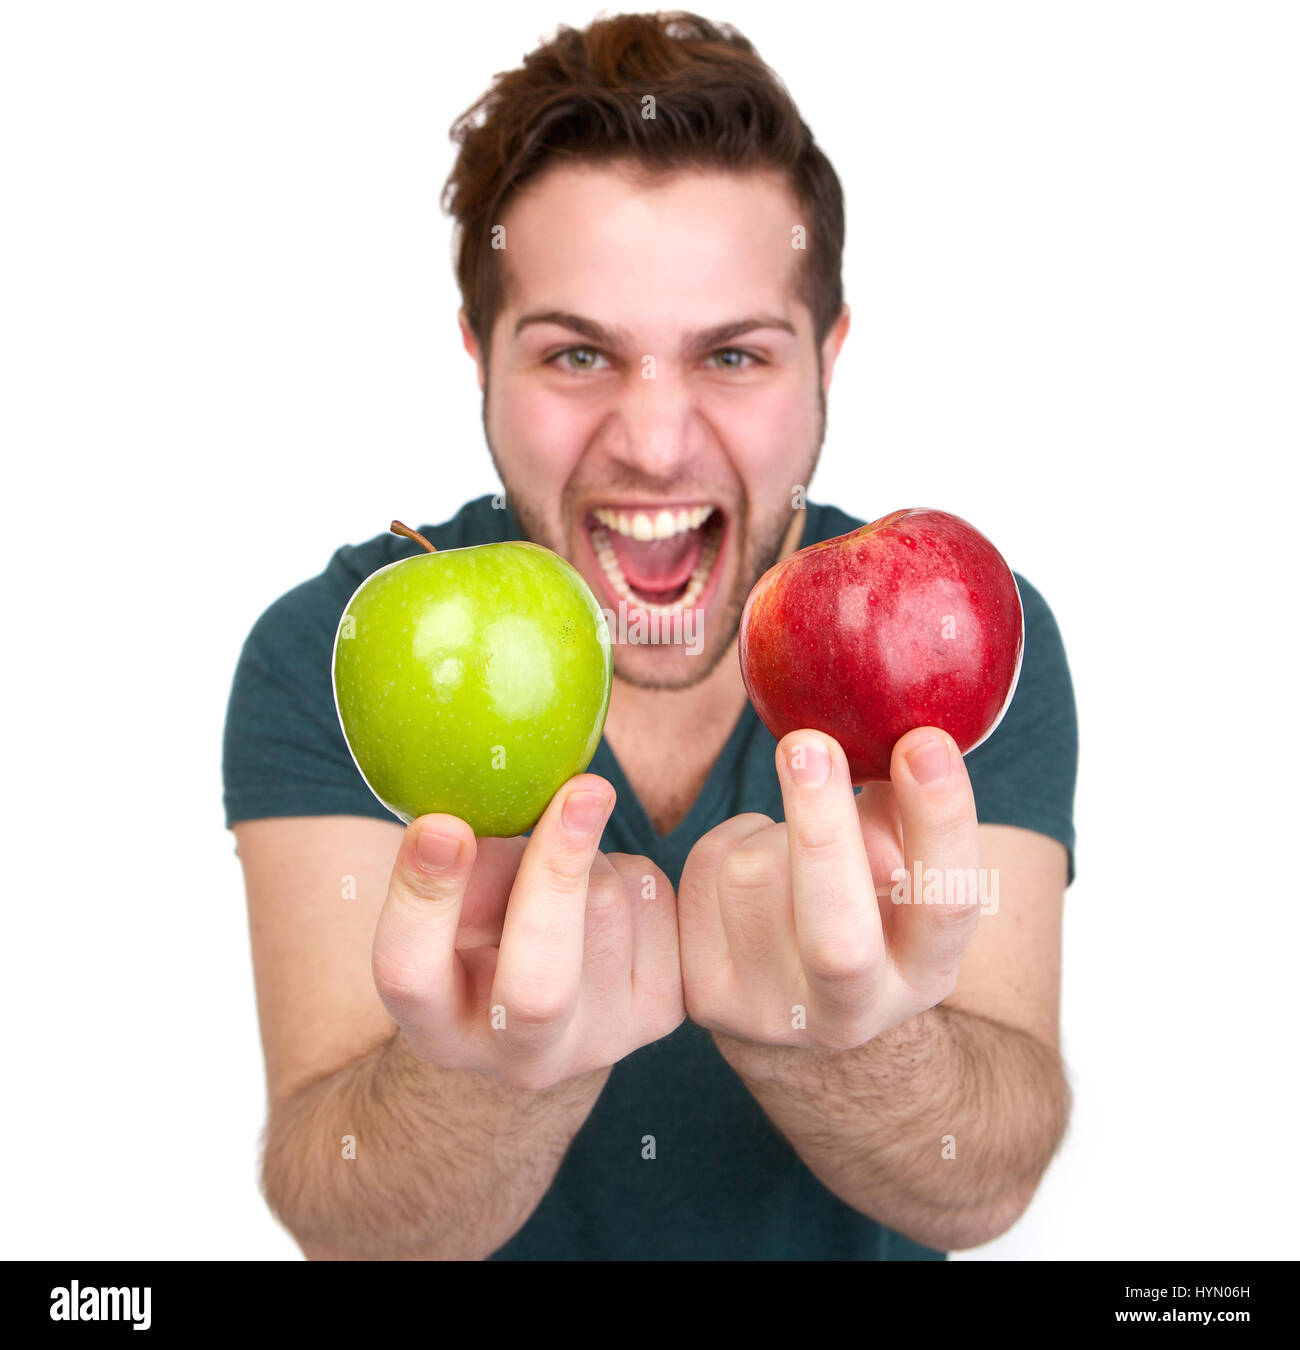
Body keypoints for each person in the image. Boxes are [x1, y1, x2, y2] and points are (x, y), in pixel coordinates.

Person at [222, 11, 1077, 1261]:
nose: (656, 441)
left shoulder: (965, 639)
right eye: (576, 353)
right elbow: (342, 1213)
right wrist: (507, 1069)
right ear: (480, 359)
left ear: (827, 359)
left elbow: (984, 1181)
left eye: (732, 354)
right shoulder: (334, 648)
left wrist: (844, 1035)